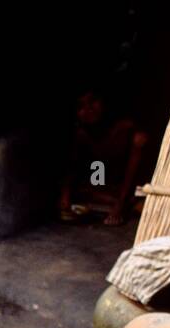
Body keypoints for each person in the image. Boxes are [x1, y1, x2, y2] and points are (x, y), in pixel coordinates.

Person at [59, 90, 149, 226]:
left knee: (140, 141)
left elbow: (133, 171)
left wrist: (120, 204)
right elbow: (74, 166)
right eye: (81, 106)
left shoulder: (126, 128)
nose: (88, 110)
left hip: (135, 185)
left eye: (92, 102)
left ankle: (126, 201)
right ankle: (122, 201)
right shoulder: (82, 134)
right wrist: (65, 194)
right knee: (84, 190)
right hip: (107, 184)